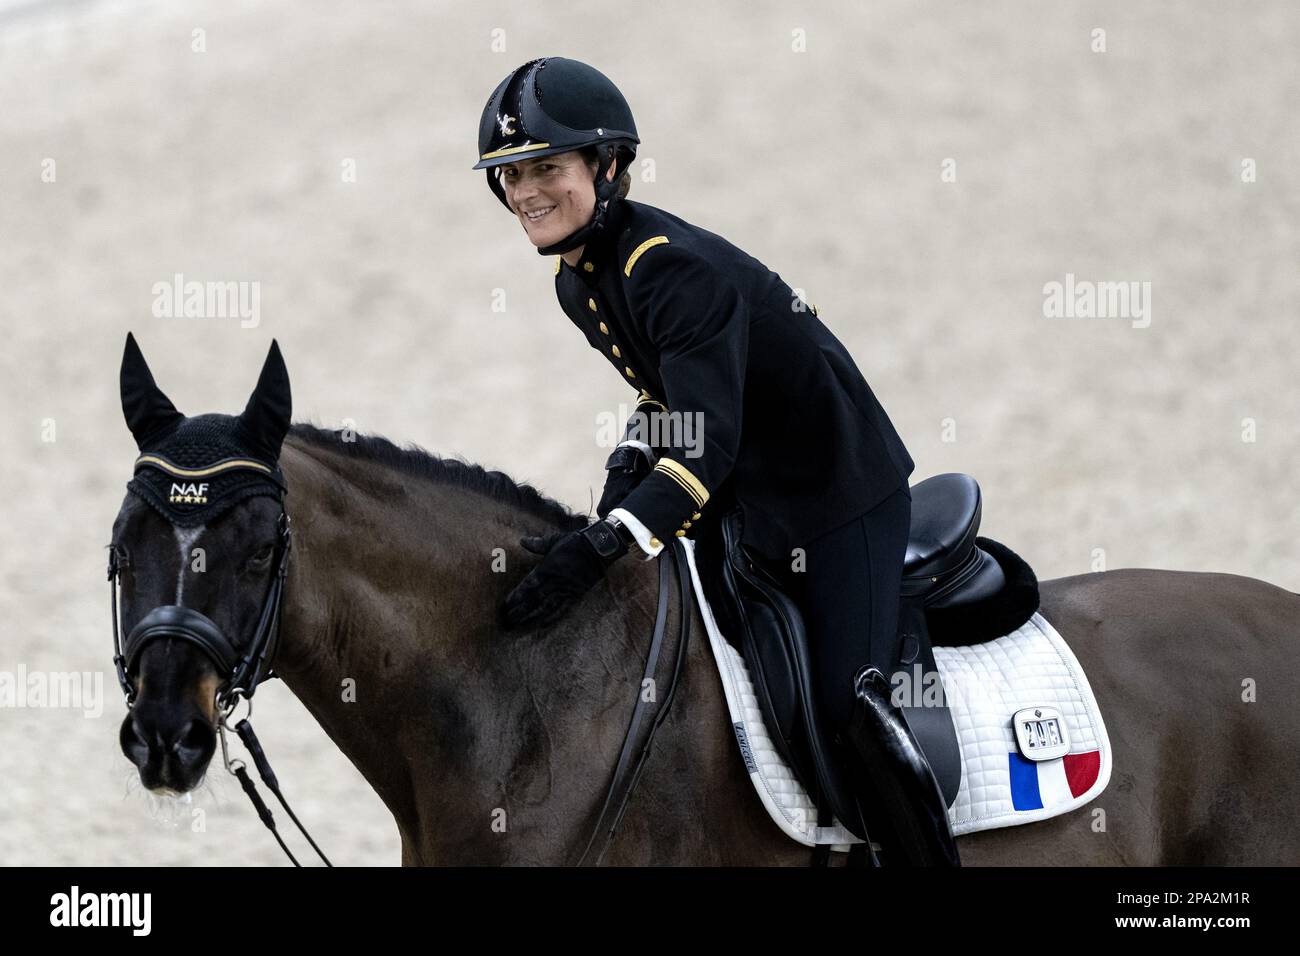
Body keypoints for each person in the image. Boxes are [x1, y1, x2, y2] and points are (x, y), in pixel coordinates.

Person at [475, 56, 957, 865]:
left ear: (608, 164)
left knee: (848, 703)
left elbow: (707, 439)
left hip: (837, 496)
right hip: (746, 496)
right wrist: (621, 479)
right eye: (511, 173)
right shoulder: (579, 277)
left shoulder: (666, 266)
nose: (525, 191)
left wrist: (614, 539)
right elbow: (667, 397)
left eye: (546, 167)